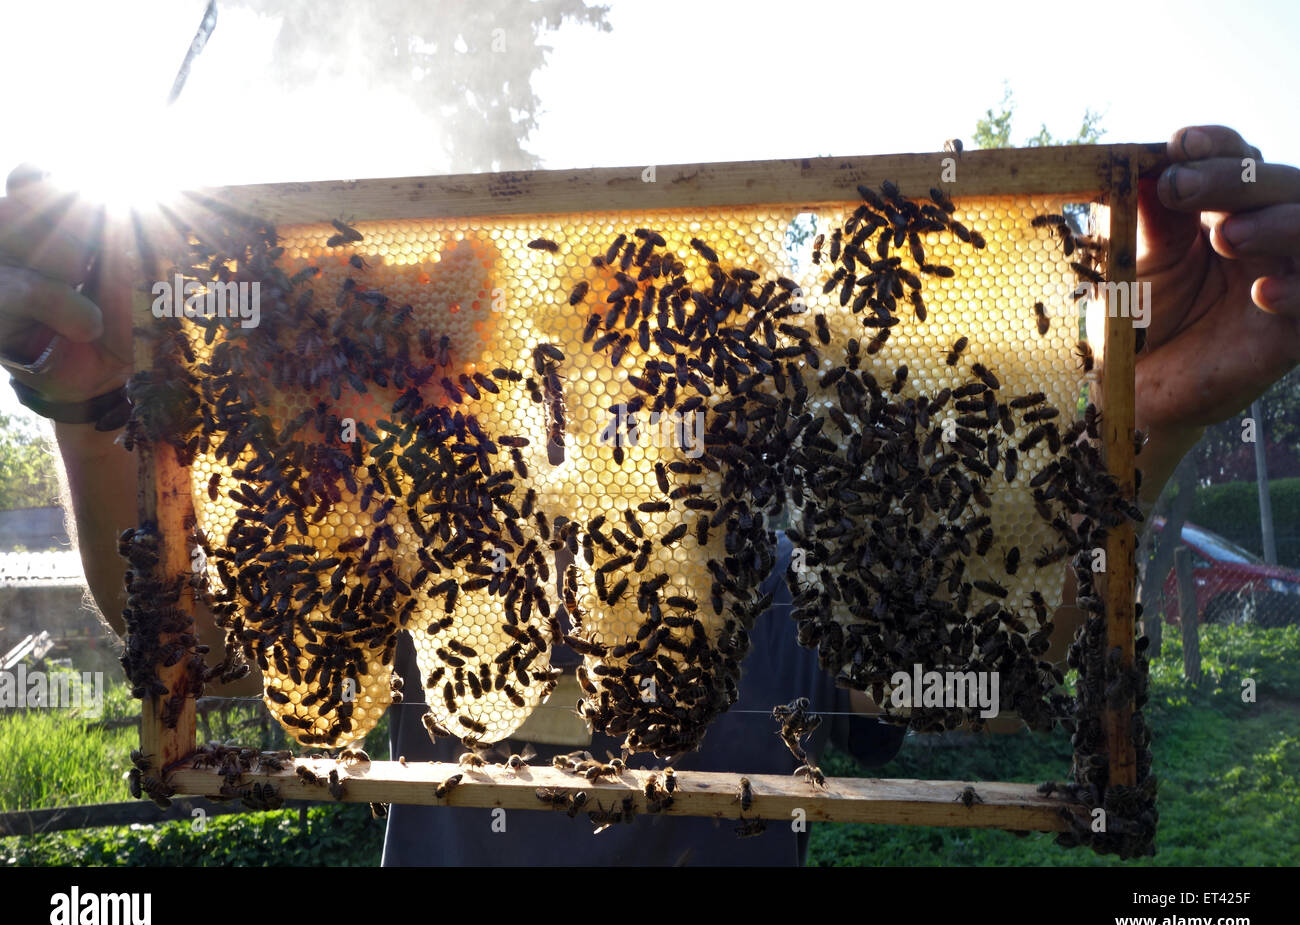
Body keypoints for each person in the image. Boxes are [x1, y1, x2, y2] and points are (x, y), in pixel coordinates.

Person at [2, 126, 1297, 864]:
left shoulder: (759, 567)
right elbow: (204, 650)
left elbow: (953, 681)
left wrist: (1144, 415)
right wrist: (113, 410)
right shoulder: (411, 552)